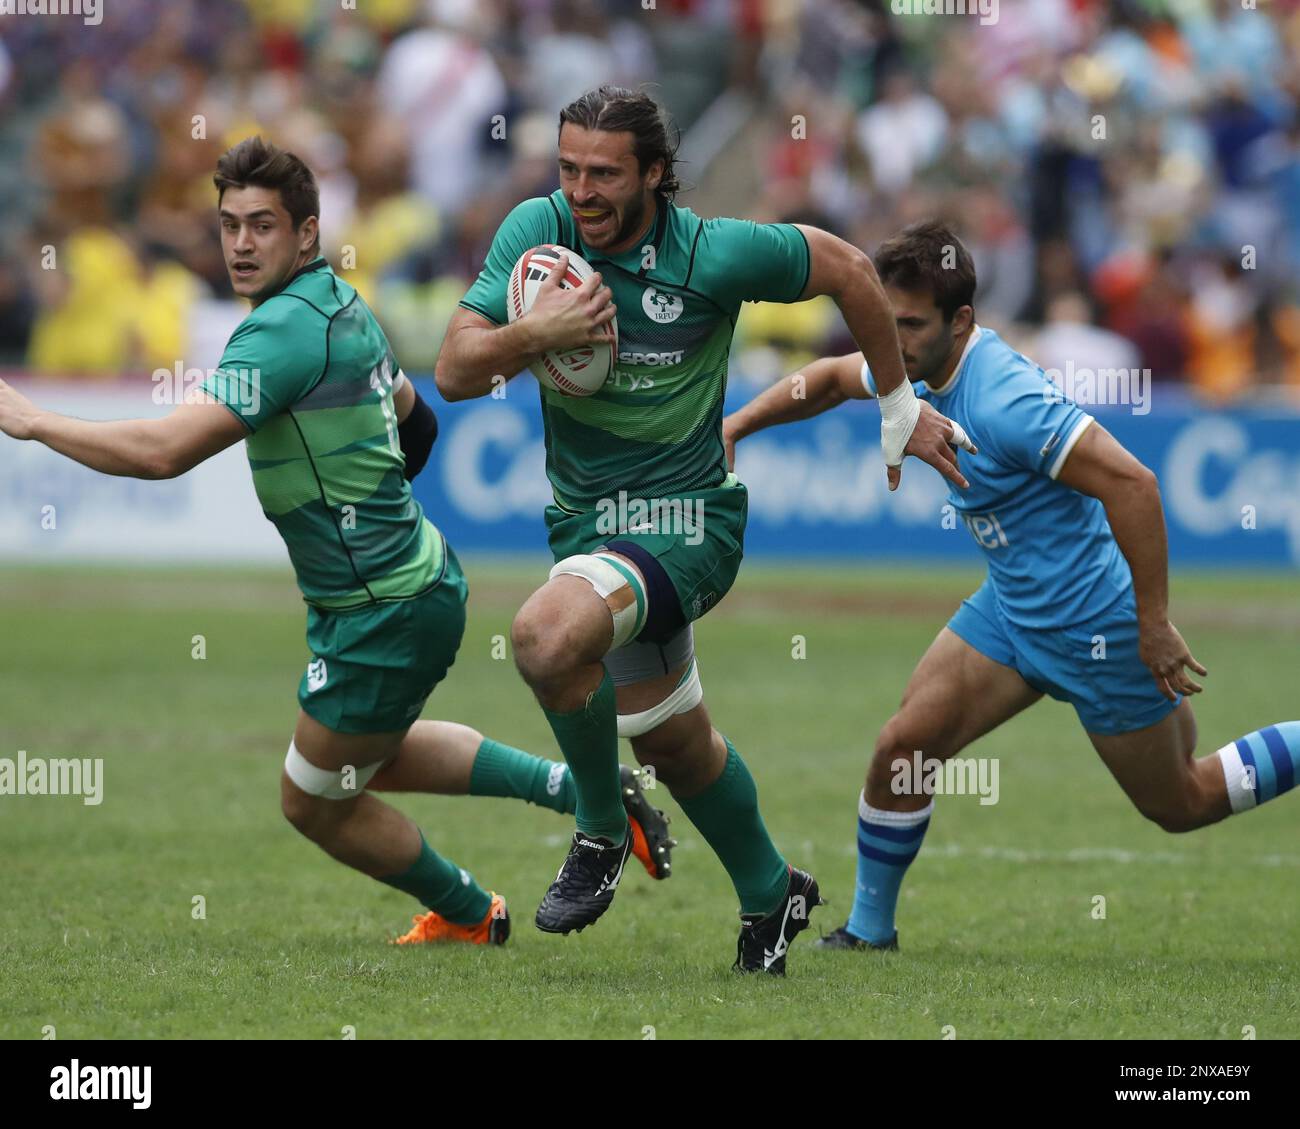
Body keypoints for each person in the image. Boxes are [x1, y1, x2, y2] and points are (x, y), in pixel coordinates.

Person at [0, 136, 672, 949]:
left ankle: (471, 910)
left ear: (307, 235)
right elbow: (414, 421)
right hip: (406, 584)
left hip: (379, 608)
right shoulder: (339, 302)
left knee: (312, 798)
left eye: (263, 227)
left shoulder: (278, 333)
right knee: (371, 758)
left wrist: (32, 420)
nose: (242, 245)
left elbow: (163, 452)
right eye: (230, 226)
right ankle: (583, 792)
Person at [436, 87, 971, 973]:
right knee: (673, 742)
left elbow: (847, 269)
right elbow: (456, 368)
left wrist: (895, 403)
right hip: (588, 529)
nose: (582, 191)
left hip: (689, 524)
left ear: (654, 173)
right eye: (569, 169)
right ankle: (772, 892)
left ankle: (602, 828)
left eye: (604, 173)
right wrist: (537, 331)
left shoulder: (713, 253)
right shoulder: (538, 232)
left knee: (541, 635)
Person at [723, 220, 1300, 951]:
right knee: (905, 746)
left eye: (908, 324)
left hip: (1097, 624)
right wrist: (738, 423)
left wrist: (1152, 621)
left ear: (960, 321)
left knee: (1182, 799)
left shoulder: (1005, 399)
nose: (889, 340)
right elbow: (834, 378)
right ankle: (870, 932)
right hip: (1010, 612)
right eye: (882, 320)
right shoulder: (911, 364)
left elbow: (1135, 484)